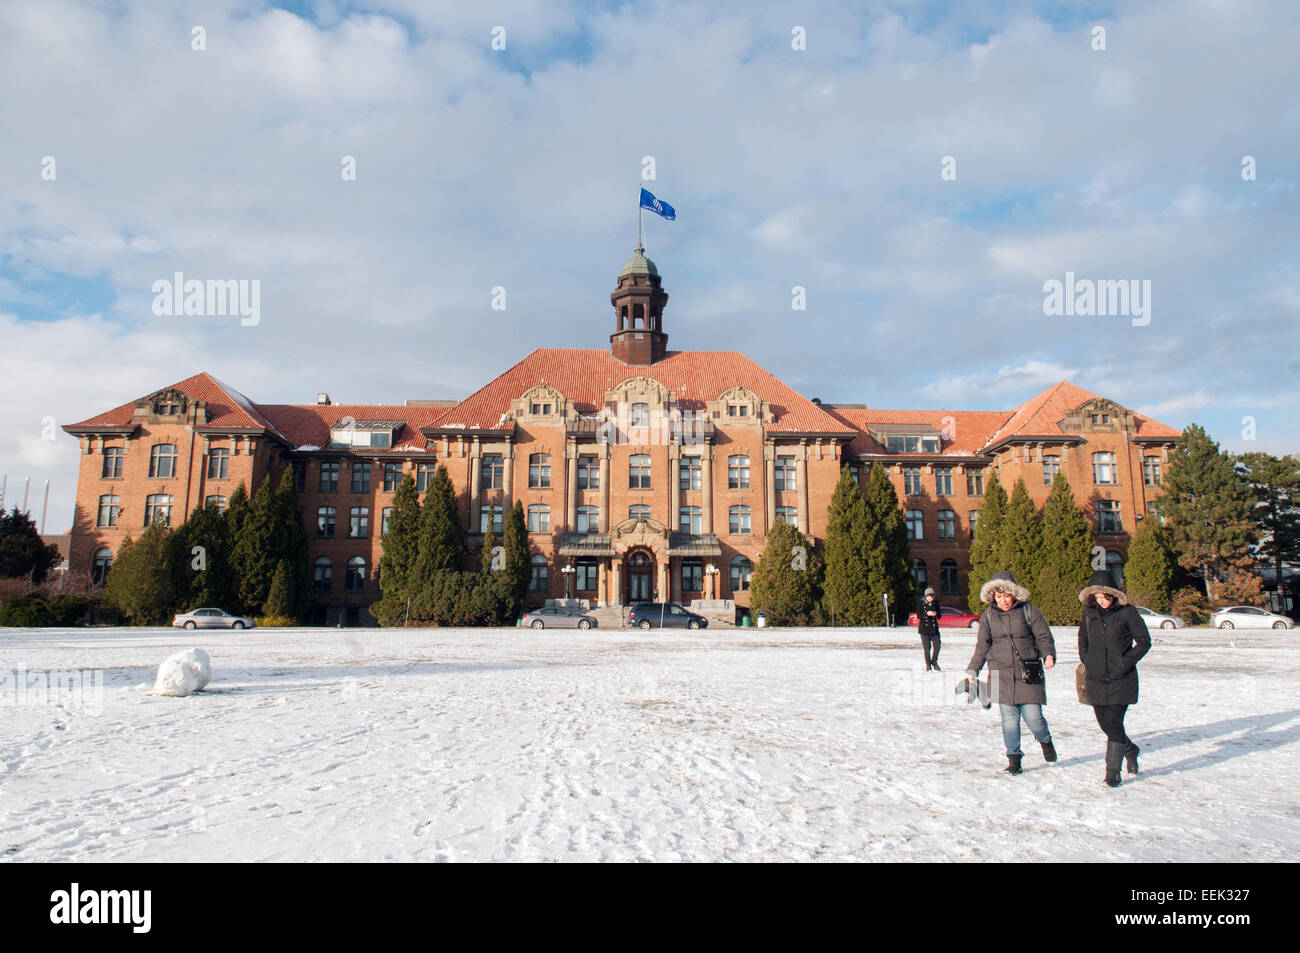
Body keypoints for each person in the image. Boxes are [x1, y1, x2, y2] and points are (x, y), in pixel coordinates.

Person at [965, 570, 1057, 775]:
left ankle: (1045, 739)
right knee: (1009, 720)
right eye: (999, 597)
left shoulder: (1029, 611)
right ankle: (1014, 759)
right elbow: (982, 645)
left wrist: (1048, 655)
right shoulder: (988, 615)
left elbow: (1043, 636)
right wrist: (973, 670)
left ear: (1014, 594)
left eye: (1006, 596)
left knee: (1034, 717)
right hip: (1000, 674)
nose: (1003, 601)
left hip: (1028, 672)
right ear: (993, 597)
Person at [1078, 570, 1151, 788]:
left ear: (1114, 595)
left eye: (1106, 597)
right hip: (1096, 678)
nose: (1102, 601)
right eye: (1098, 597)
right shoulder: (1089, 613)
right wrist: (1087, 660)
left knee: (1113, 723)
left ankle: (1112, 773)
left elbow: (1144, 641)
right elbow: (1082, 637)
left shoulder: (1128, 613)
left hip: (1122, 679)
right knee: (1105, 724)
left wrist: (1125, 662)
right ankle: (1130, 749)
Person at [916, 587, 942, 671]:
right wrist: (926, 614)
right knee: (927, 648)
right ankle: (928, 664)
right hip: (924, 630)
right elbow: (919, 615)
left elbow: (939, 615)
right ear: (926, 596)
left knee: (937, 646)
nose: (931, 598)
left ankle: (934, 661)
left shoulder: (936, 603)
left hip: (934, 629)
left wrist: (935, 614)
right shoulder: (920, 603)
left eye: (932, 596)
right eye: (929, 596)